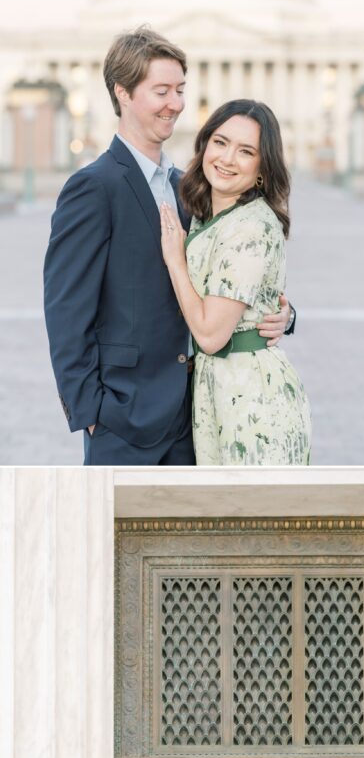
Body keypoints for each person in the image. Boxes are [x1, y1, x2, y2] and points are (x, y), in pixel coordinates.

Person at [43, 28, 294, 465]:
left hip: (197, 416)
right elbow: (65, 308)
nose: (175, 104)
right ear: (123, 92)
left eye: (180, 90)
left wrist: (284, 316)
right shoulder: (93, 187)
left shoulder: (190, 188)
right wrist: (91, 412)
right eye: (161, 91)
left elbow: (235, 272)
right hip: (124, 418)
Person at [158, 100, 311, 467]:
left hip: (252, 398)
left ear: (262, 169)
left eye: (246, 151)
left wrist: (176, 261)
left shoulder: (250, 226)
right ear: (205, 144)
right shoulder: (208, 210)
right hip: (220, 391)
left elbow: (211, 335)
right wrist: (286, 313)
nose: (227, 159)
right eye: (220, 142)